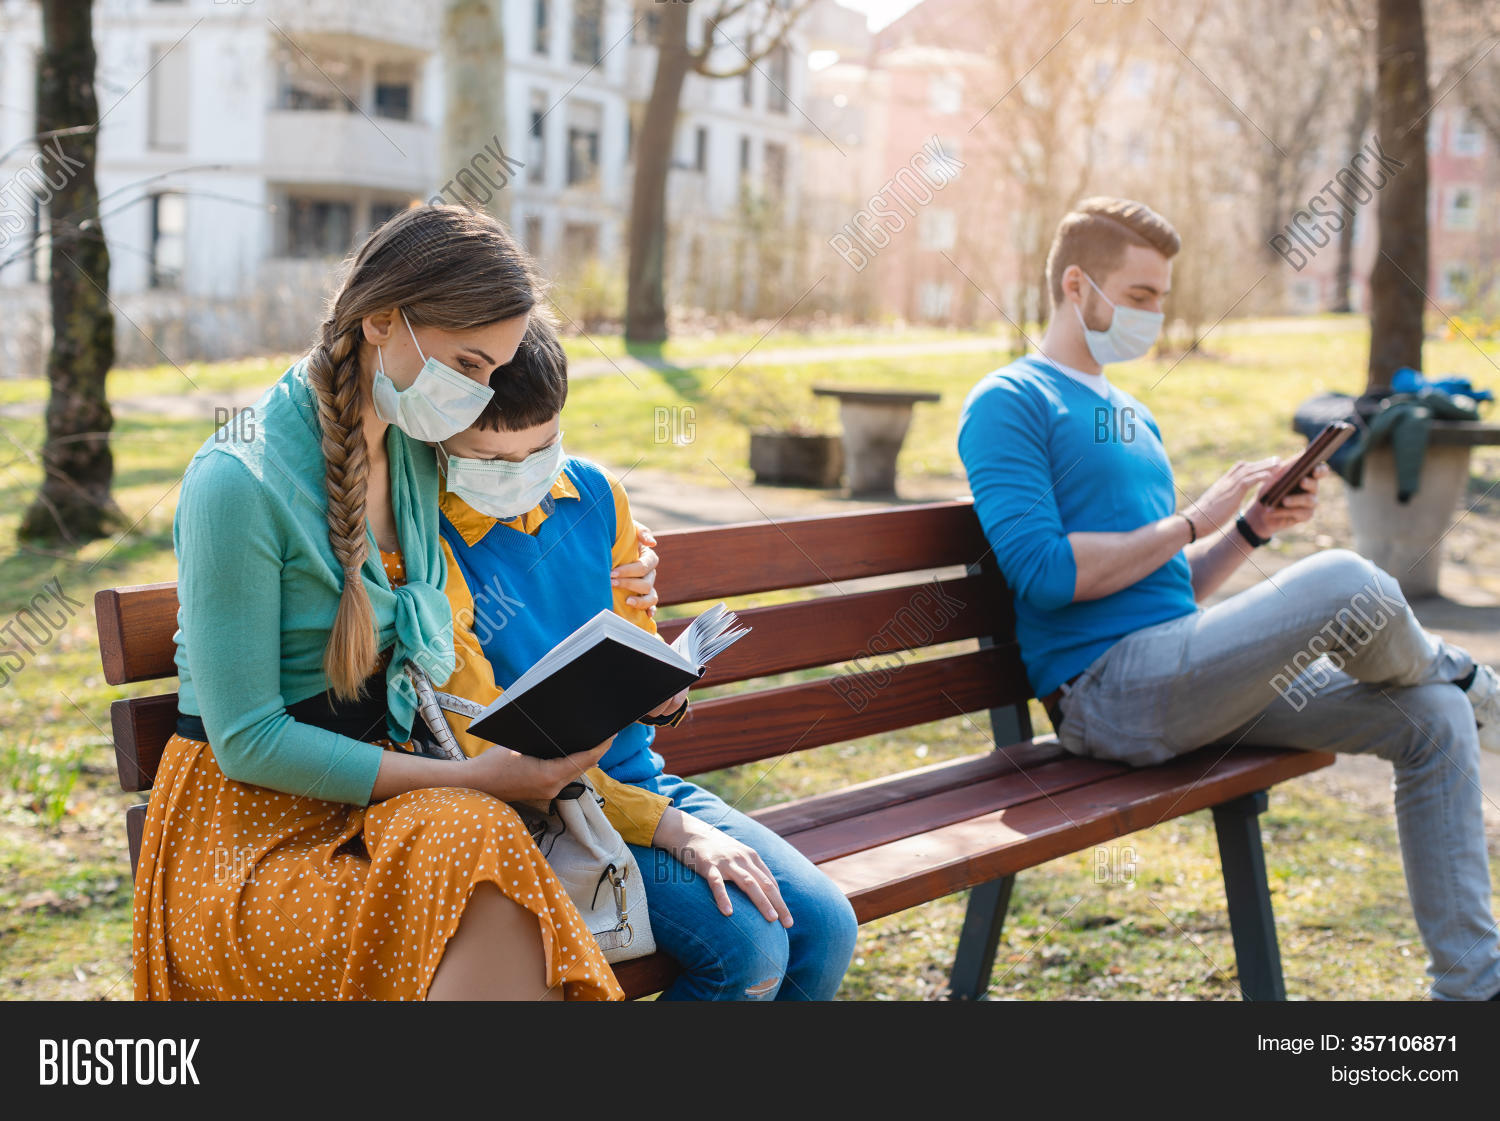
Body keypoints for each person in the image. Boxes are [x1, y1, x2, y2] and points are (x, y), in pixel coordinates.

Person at [957, 196, 1500, 1002]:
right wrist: (1191, 519)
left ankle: (1473, 991)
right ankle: (1467, 672)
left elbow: (1168, 585)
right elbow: (1044, 572)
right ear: (1077, 285)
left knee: (1433, 719)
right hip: (1107, 696)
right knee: (1346, 578)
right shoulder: (1011, 400)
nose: (1154, 314)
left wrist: (1246, 529)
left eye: (1161, 298)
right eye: (1139, 296)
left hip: (1182, 672)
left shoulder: (1132, 413)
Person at [135, 205, 661, 1001]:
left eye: (495, 371)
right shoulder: (236, 483)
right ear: (382, 321)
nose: (481, 396)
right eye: (470, 363)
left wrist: (630, 555)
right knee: (480, 833)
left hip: (386, 798)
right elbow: (248, 741)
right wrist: (482, 780)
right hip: (250, 832)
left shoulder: (413, 442)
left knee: (482, 846)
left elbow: (527, 491)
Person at [434, 315, 859, 1001]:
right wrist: (674, 830)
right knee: (749, 952)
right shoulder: (430, 537)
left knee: (827, 928)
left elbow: (633, 640)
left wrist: (663, 690)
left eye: (541, 451)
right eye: (490, 462)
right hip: (549, 813)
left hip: (640, 782)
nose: (522, 480)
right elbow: (487, 744)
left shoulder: (596, 494)